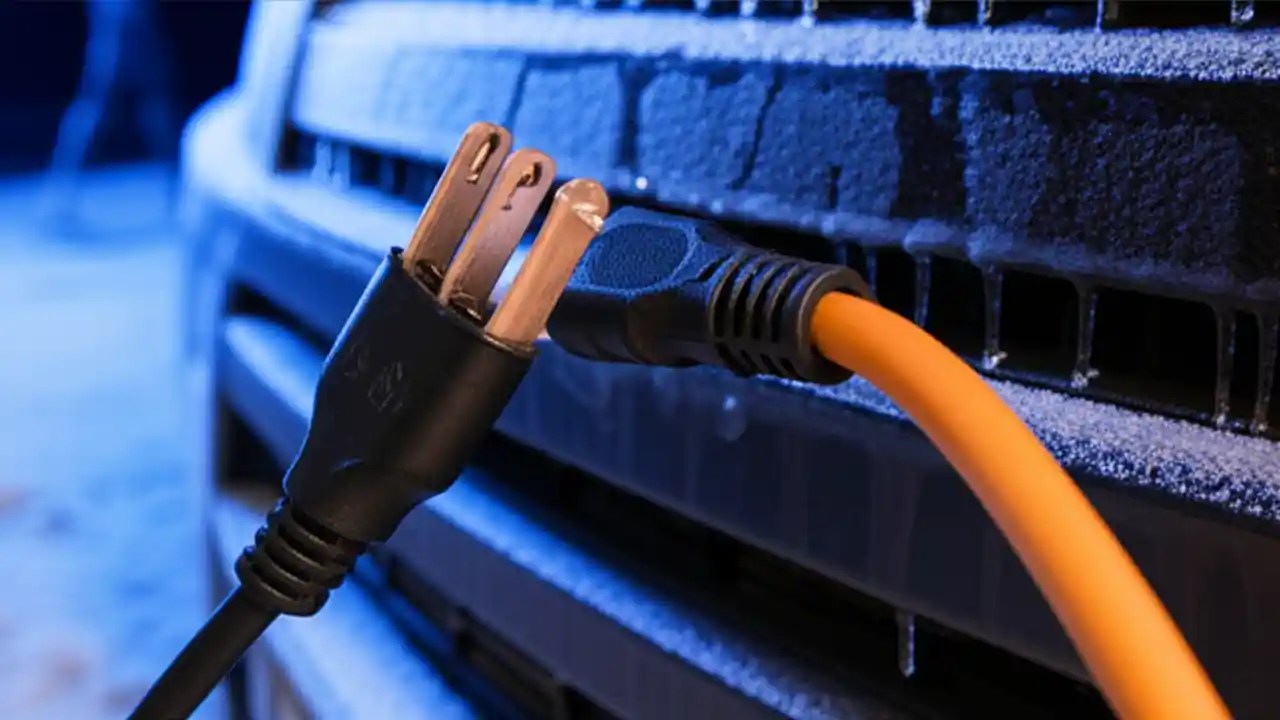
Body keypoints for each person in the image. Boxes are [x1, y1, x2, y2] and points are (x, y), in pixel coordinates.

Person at [40, 0, 178, 227]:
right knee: (98, 112)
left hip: (131, 33)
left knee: (155, 113)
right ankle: (59, 195)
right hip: (118, 33)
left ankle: (179, 191)